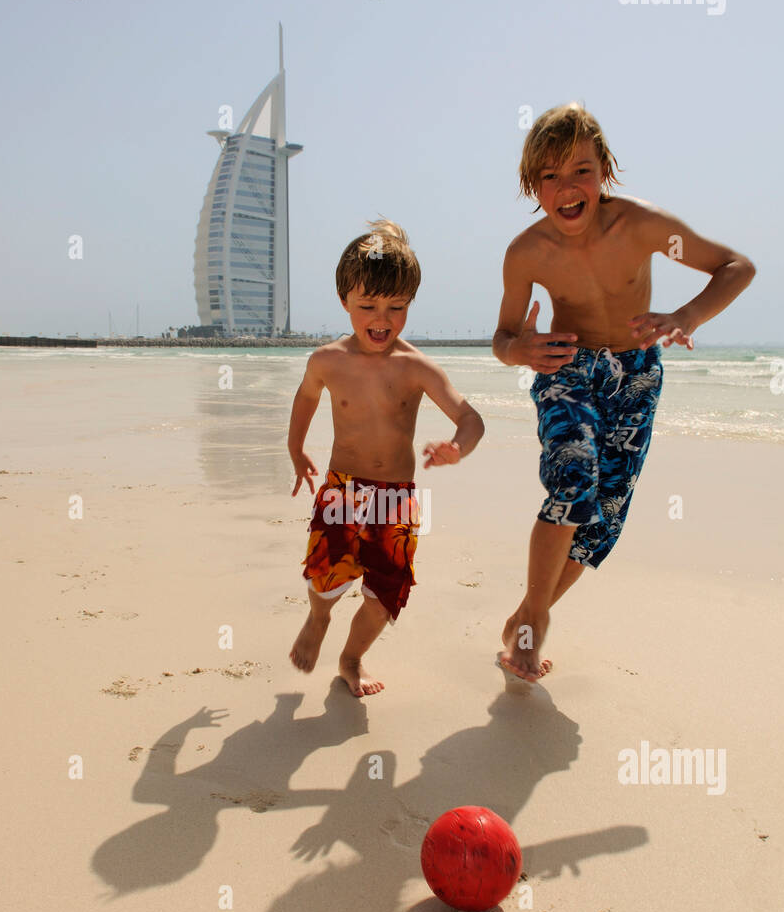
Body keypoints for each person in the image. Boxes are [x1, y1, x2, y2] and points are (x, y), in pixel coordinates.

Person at [492, 103, 755, 682]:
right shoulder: (527, 252)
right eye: (550, 176)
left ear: (603, 170)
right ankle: (533, 634)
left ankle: (524, 616)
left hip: (636, 377)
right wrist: (521, 350)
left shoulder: (641, 226)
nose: (567, 188)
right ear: (533, 185)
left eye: (580, 170)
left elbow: (736, 266)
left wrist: (686, 315)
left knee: (600, 525)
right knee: (573, 480)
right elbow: (503, 336)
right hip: (568, 366)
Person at [288, 219, 484, 697]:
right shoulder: (327, 361)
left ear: (410, 305)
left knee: (387, 593)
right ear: (344, 302)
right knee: (326, 573)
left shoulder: (415, 367)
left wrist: (458, 448)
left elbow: (471, 418)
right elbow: (306, 398)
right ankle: (318, 618)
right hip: (341, 490)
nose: (382, 318)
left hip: (395, 499)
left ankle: (352, 658)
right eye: (368, 305)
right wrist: (295, 448)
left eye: (396, 307)